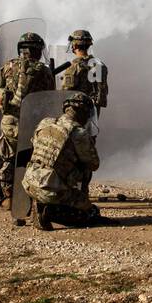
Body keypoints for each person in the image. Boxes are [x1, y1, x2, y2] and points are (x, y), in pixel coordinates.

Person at [22, 91, 102, 229]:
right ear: (82, 112)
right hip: (51, 187)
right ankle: (48, 212)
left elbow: (34, 146)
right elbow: (94, 164)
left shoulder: (45, 122)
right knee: (91, 213)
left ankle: (42, 203)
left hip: (29, 182)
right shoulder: (78, 133)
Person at [0, 32, 54, 209]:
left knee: (8, 159)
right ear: (38, 50)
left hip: (10, 121)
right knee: (33, 160)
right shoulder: (43, 71)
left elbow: (1, 91)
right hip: (33, 122)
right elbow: (49, 98)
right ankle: (31, 197)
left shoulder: (6, 67)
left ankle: (8, 196)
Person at [60, 29, 108, 109]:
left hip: (76, 113)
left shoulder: (74, 66)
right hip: (93, 113)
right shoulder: (100, 65)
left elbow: (64, 94)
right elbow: (102, 93)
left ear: (74, 45)